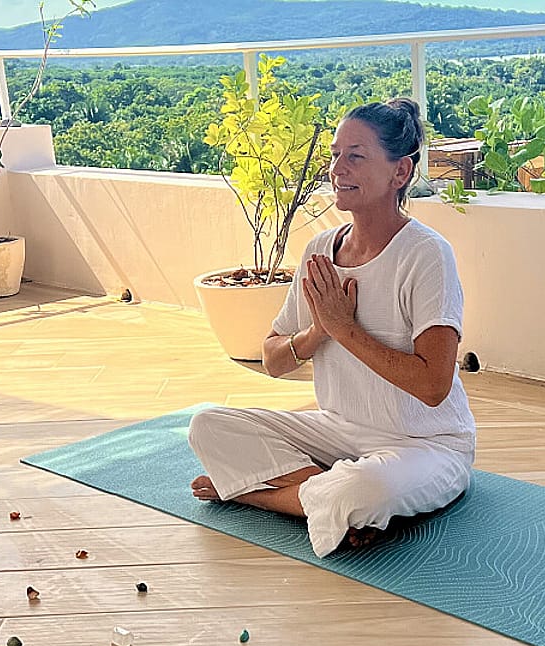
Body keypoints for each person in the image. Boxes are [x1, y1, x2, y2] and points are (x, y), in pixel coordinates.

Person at [188, 98, 475, 557]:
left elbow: (434, 385)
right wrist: (316, 334)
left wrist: (345, 330)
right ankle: (329, 502)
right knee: (207, 425)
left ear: (400, 172)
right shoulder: (321, 249)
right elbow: (273, 359)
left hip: (426, 446)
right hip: (337, 433)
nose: (337, 167)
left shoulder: (426, 254)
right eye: (336, 153)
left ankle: (249, 493)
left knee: (365, 489)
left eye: (355, 156)